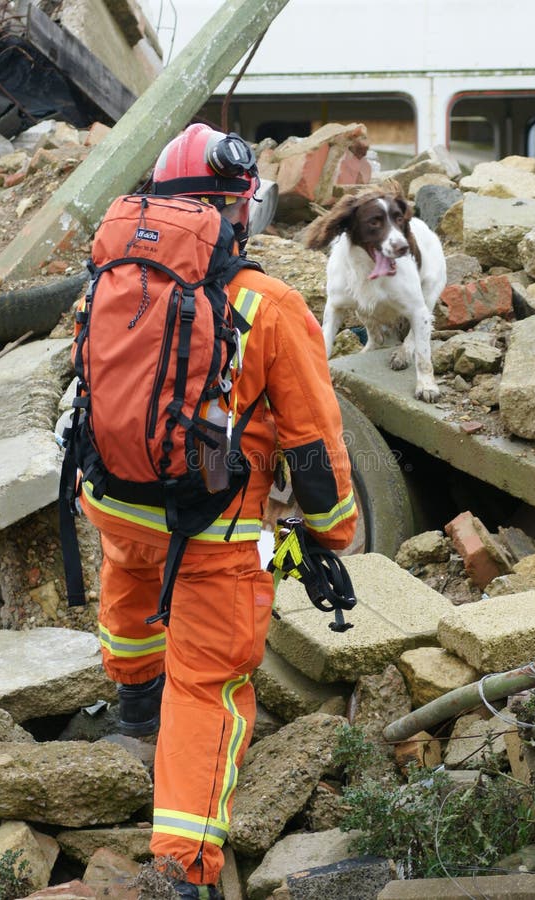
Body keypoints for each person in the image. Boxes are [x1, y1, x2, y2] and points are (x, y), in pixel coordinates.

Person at [75, 123, 358, 899]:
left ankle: (135, 709)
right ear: (239, 209)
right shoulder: (270, 304)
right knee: (207, 684)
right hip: (213, 531)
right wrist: (331, 534)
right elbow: (312, 444)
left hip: (113, 500)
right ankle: (184, 866)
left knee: (132, 580)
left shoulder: (110, 274)